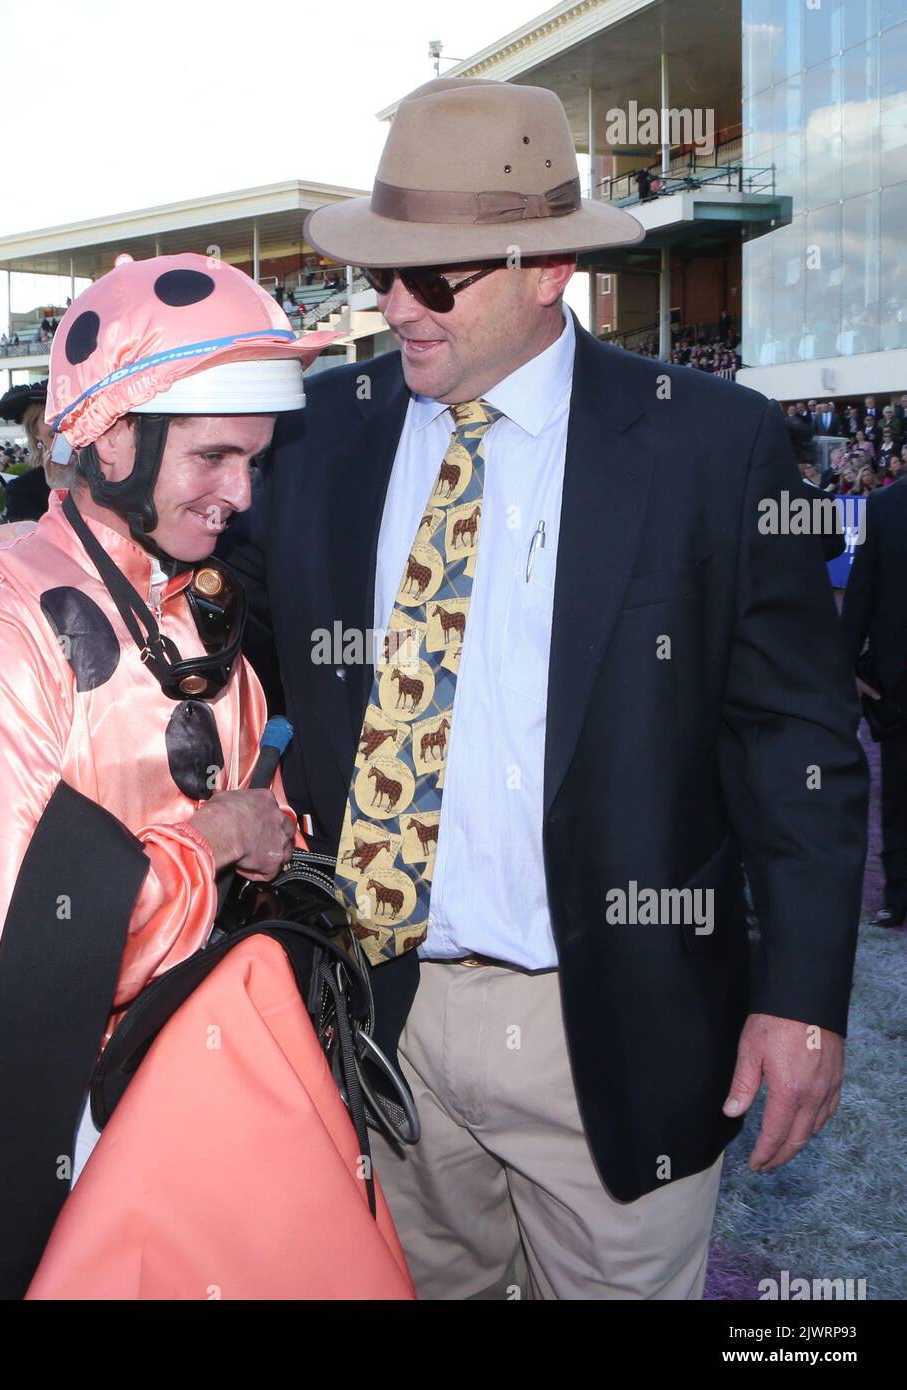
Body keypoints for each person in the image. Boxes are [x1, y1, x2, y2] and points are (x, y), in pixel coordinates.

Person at [220, 75, 868, 1300]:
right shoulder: (316, 436)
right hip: (380, 1020)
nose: (394, 305)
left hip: (613, 1022)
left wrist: (798, 1000)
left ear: (545, 266)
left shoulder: (707, 442)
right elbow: (204, 632)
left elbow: (794, 742)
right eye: (380, 271)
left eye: (433, 276)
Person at [0, 252, 411, 1301]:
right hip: (80, 1107)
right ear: (113, 435)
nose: (240, 493)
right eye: (214, 456)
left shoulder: (191, 599)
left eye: (254, 461)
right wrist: (213, 845)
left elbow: (269, 816)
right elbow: (17, 954)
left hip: (229, 1066)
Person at [841, 469, 907, 927]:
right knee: (899, 792)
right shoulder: (883, 507)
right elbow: (860, 592)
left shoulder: (881, 507)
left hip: (893, 679)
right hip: (897, 684)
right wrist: (843, 668)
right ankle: (898, 892)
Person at [0, 383, 75, 521]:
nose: (59, 423)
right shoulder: (21, 490)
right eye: (49, 417)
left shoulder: (101, 476)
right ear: (35, 431)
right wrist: (61, 494)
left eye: (64, 414)